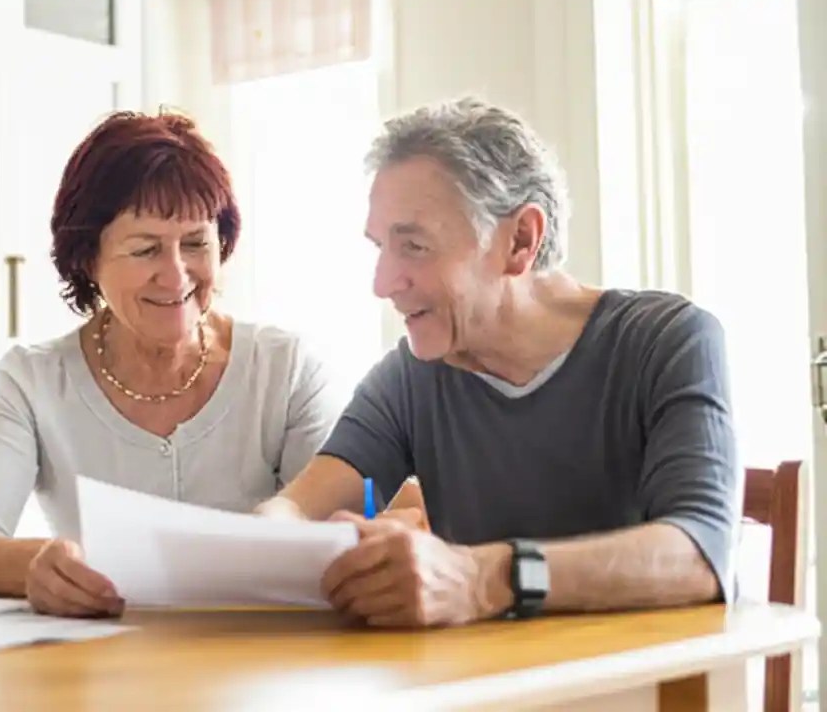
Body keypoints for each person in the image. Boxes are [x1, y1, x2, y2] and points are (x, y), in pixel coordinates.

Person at [260, 97, 739, 628]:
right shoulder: (412, 376)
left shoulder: (668, 342)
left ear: (520, 241)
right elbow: (297, 509)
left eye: (413, 246)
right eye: (380, 248)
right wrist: (264, 532)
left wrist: (481, 578)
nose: (382, 282)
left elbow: (700, 556)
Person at [0, 111, 343, 618]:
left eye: (195, 243)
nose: (175, 276)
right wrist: (39, 564)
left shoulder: (286, 368)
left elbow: (336, 528)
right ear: (87, 258)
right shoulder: (32, 381)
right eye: (146, 249)